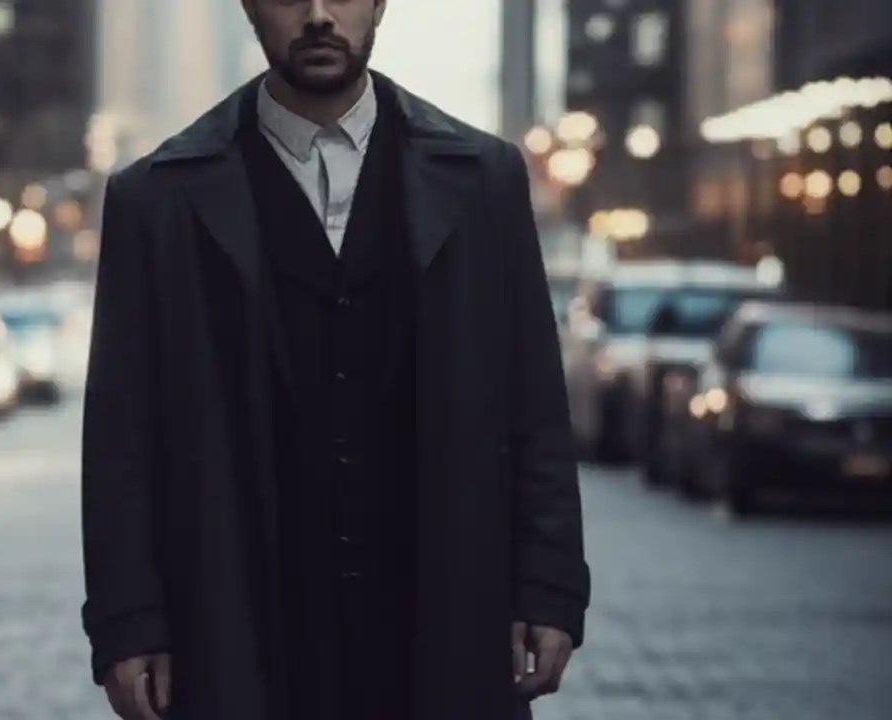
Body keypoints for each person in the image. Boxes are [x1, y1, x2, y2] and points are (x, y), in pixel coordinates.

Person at [81, 2, 590, 718]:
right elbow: (121, 436)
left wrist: (548, 586)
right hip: (244, 616)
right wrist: (129, 621)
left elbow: (532, 400)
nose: (319, 15)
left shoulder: (484, 179)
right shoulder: (154, 199)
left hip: (437, 605)